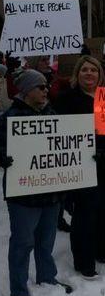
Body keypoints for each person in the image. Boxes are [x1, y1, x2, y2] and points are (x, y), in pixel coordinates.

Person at [0, 69, 72, 296]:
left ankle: (47, 277)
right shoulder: (9, 117)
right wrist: (2, 157)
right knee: (23, 242)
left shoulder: (52, 114)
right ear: (27, 91)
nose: (46, 91)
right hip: (24, 195)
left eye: (46, 87)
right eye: (41, 87)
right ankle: (18, 289)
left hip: (50, 191)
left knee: (46, 241)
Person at [53, 56, 105, 279]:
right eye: (84, 70)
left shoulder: (104, 97)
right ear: (77, 74)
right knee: (84, 212)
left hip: (104, 162)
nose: (89, 73)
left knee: (103, 210)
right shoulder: (66, 99)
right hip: (80, 164)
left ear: (99, 74)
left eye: (93, 69)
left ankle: (101, 250)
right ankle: (83, 260)